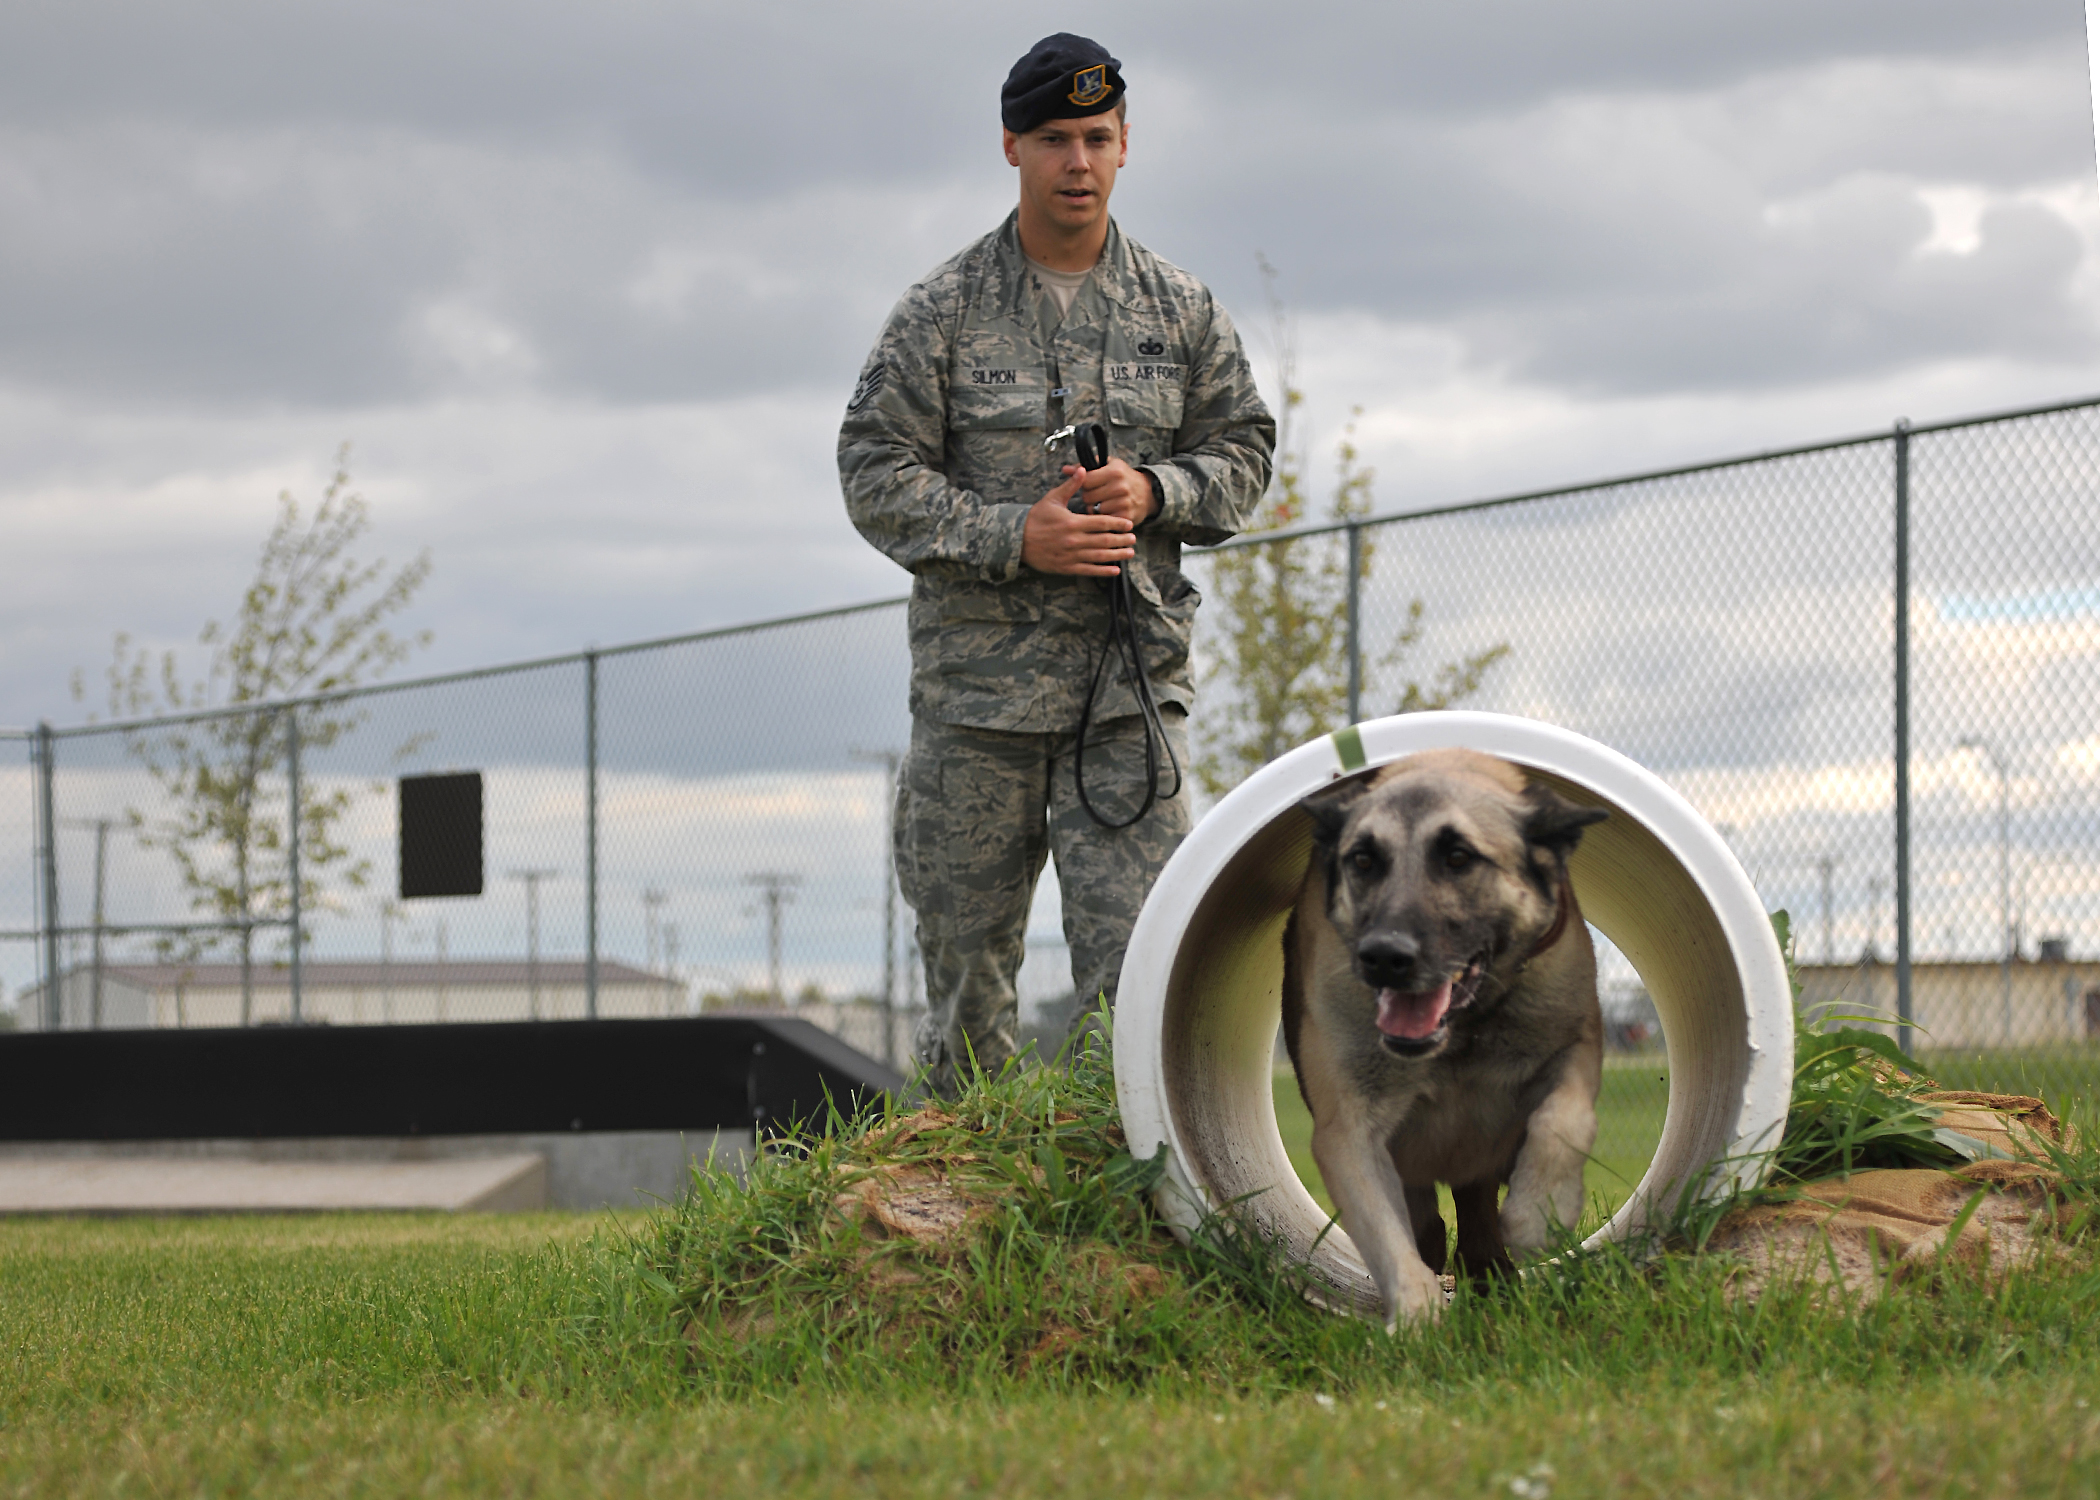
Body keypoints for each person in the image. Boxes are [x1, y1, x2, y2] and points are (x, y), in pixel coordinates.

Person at [839, 34, 1275, 1093]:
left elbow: (1246, 448)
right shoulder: (940, 315)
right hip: (976, 711)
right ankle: (958, 1232)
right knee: (963, 1001)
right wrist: (1009, 535)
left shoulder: (1181, 312)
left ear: (1126, 146)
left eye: (1095, 137)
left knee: (1143, 984)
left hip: (1124, 704)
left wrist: (1158, 488)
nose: (1075, 162)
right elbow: (871, 468)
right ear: (1011, 148)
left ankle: (1122, 1223)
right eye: (1051, 140)